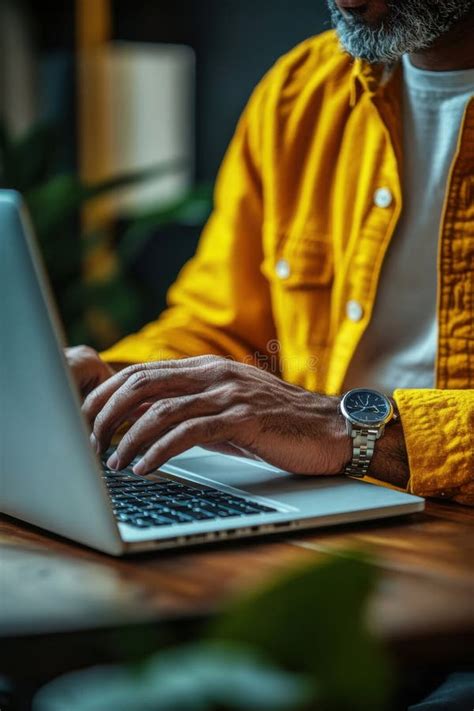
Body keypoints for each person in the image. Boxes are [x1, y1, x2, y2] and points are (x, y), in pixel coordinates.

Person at [68, 0, 474, 506]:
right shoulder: (300, 90)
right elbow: (227, 327)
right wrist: (116, 387)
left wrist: (351, 431)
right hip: (321, 504)